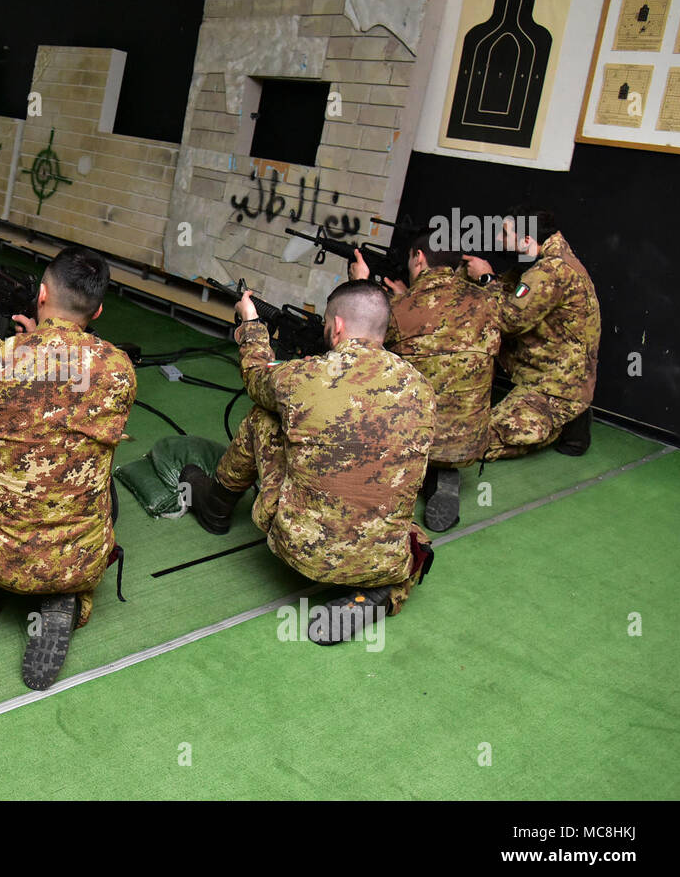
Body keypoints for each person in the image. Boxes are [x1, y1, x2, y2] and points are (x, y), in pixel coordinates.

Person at [0, 245, 136, 689]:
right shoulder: (119, 369)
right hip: (83, 557)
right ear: (97, 309)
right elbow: (65, 377)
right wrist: (38, 342)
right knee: (75, 457)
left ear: (41, 294)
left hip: (0, 555)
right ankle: (62, 592)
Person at [181, 281, 436, 644]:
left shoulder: (303, 376)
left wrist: (252, 325)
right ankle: (384, 593)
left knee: (262, 417)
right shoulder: (422, 387)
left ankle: (216, 505)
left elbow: (256, 378)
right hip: (383, 558)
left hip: (305, 550)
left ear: (337, 327)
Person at [350, 228, 501, 531]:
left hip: (412, 435)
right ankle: (441, 475)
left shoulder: (398, 310)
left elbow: (354, 345)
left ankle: (395, 483)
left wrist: (361, 285)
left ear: (419, 258)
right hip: (469, 438)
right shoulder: (490, 300)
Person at [463, 207, 600, 460]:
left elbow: (508, 320)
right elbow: (514, 292)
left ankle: (562, 419)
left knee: (475, 442)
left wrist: (485, 279)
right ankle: (568, 416)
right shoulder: (550, 256)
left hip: (554, 384)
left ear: (527, 240)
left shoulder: (550, 271)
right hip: (553, 369)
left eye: (505, 234)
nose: (498, 241)